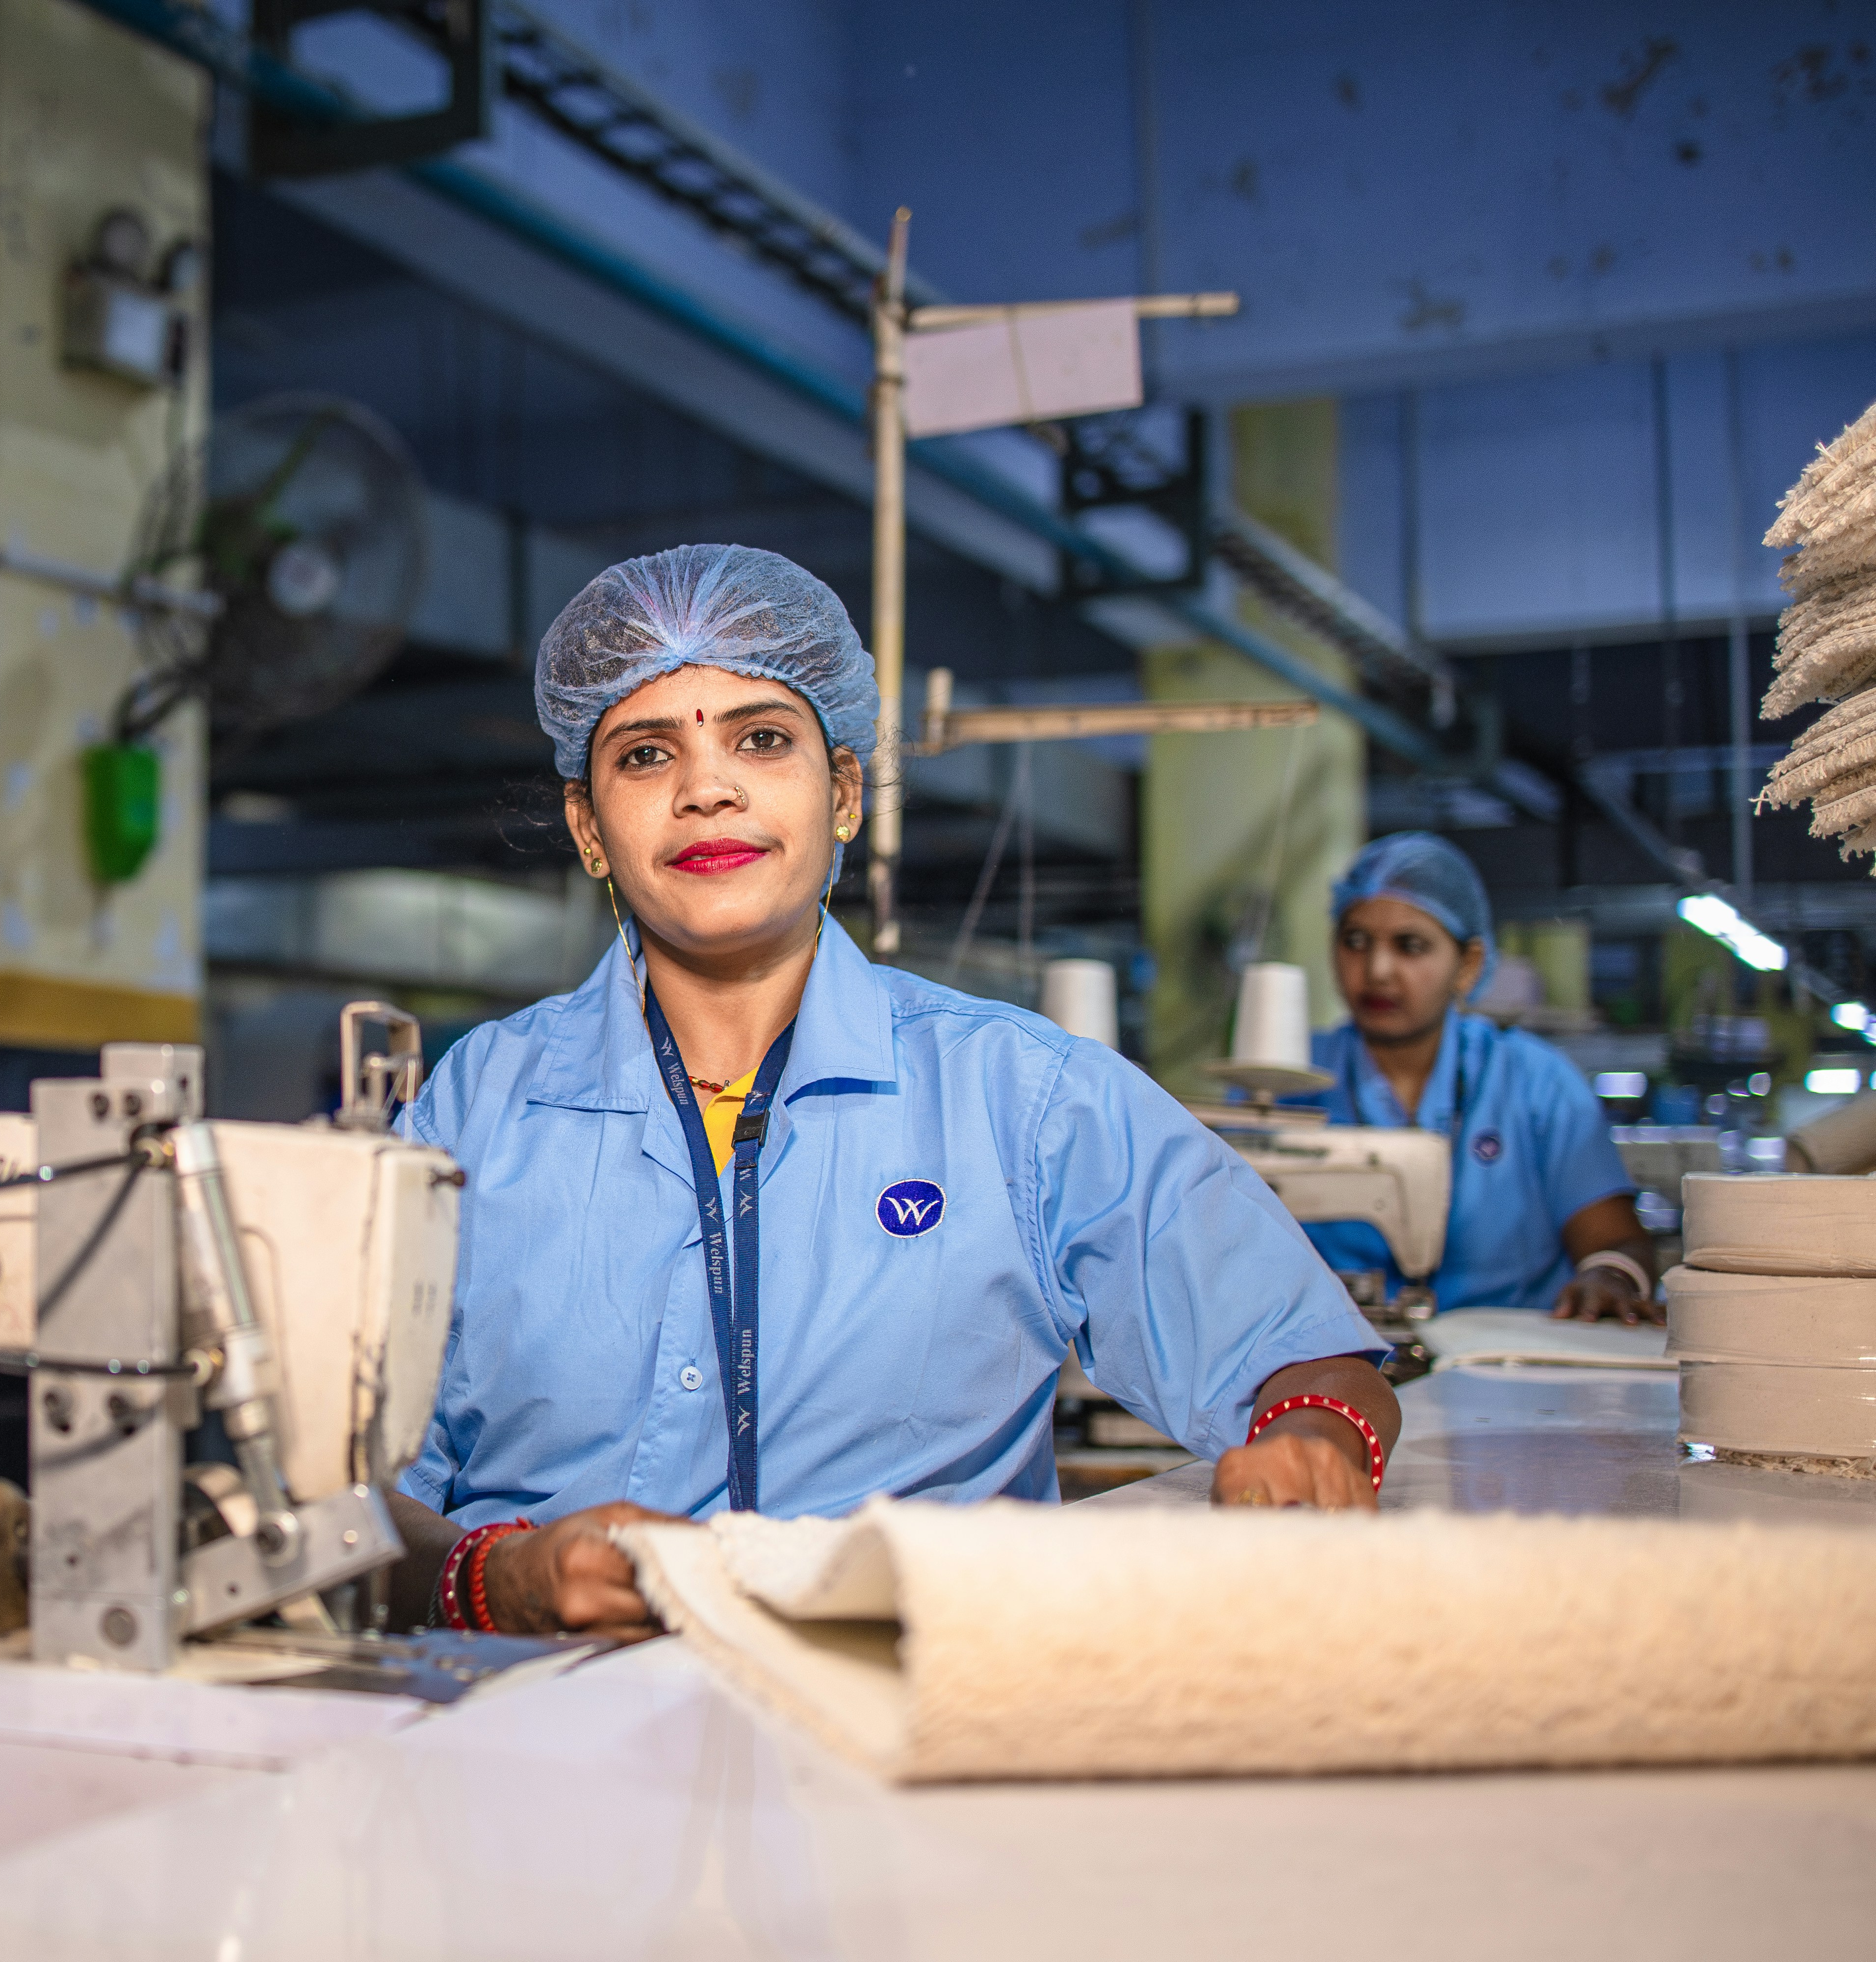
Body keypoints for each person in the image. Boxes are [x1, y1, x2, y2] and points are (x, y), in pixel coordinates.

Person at [388, 543, 1399, 1642]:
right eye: (644, 754)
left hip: (917, 1721)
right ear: (590, 828)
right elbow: (332, 1494)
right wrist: (499, 1578)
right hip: (536, 1738)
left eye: (763, 738)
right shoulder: (474, 1109)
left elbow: (1305, 1353)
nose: (706, 787)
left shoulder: (1022, 1098)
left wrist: (1314, 1435)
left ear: (848, 793)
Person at [1297, 833, 1654, 1324]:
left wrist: (1609, 1277)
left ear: (1468, 965)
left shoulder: (1538, 1083)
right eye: (1355, 941)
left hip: (1512, 1366)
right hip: (1337, 1365)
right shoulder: (1290, 1080)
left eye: (1410, 946)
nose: (1377, 970)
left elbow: (1615, 1240)